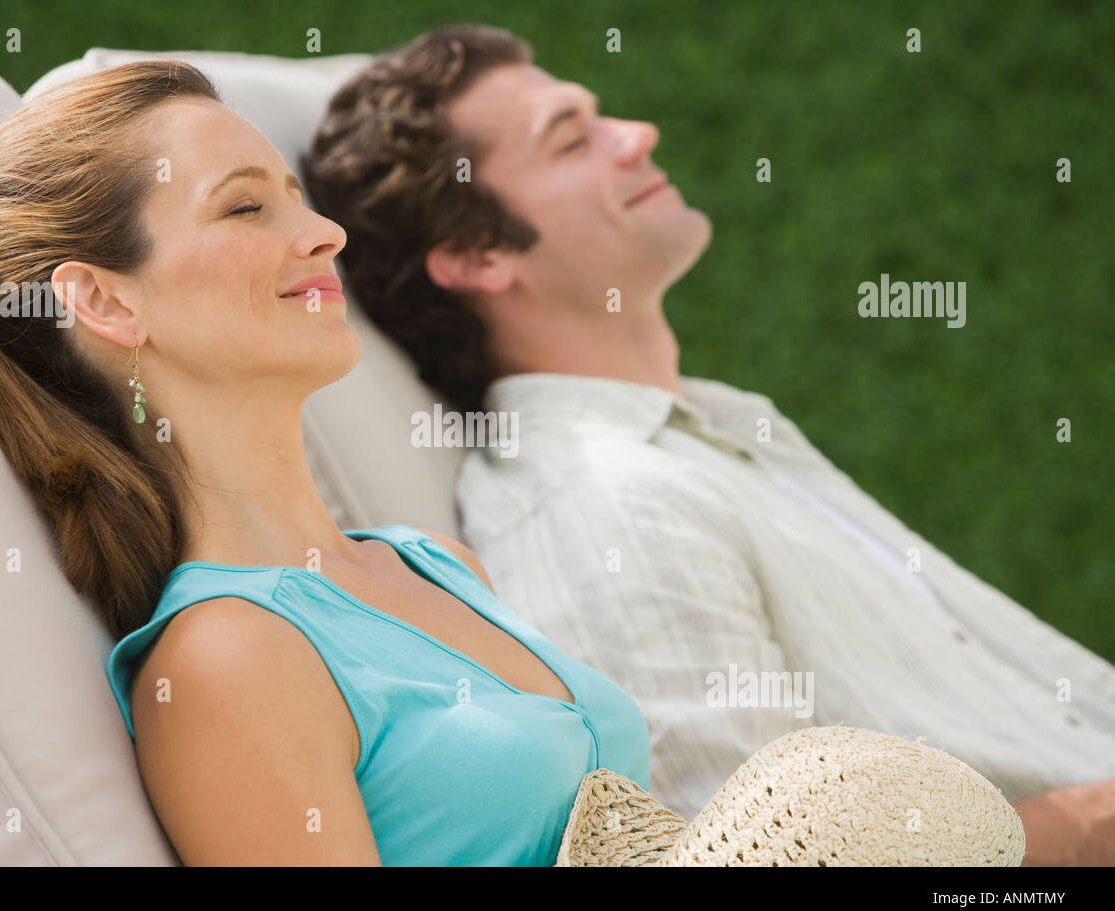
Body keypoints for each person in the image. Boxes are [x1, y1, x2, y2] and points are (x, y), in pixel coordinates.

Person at [302, 24, 1115, 866]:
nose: (639, 134)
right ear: (477, 256)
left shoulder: (711, 429)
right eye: (574, 138)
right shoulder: (604, 505)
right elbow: (744, 854)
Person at [0, 59, 651, 866]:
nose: (326, 233)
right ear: (106, 303)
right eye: (244, 206)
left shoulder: (436, 564)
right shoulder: (225, 659)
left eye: (294, 196)